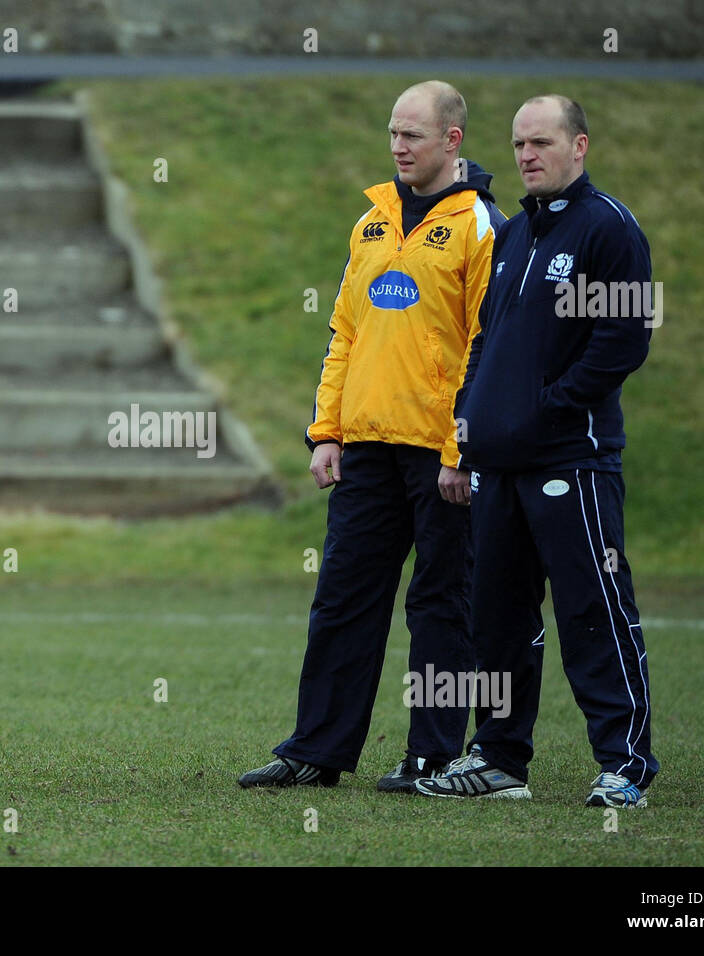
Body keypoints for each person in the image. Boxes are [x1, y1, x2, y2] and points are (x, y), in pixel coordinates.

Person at [239, 81, 505, 791]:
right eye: (392, 132)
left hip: (440, 456)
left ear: (452, 140)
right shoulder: (371, 224)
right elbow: (345, 334)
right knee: (342, 598)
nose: (397, 146)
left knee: (439, 606)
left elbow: (491, 346)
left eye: (412, 135)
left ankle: (434, 755)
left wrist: (462, 448)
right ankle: (316, 750)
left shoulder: (482, 226)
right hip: (365, 449)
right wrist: (325, 432)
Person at [414, 95, 658, 806]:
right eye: (519, 144)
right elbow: (485, 343)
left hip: (571, 463)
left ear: (579, 146)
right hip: (497, 466)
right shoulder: (516, 234)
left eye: (543, 143)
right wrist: (469, 430)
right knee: (497, 617)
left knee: (592, 609)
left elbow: (624, 341)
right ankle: (498, 758)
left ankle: (624, 764)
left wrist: (547, 409)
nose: (527, 155)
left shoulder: (606, 229)